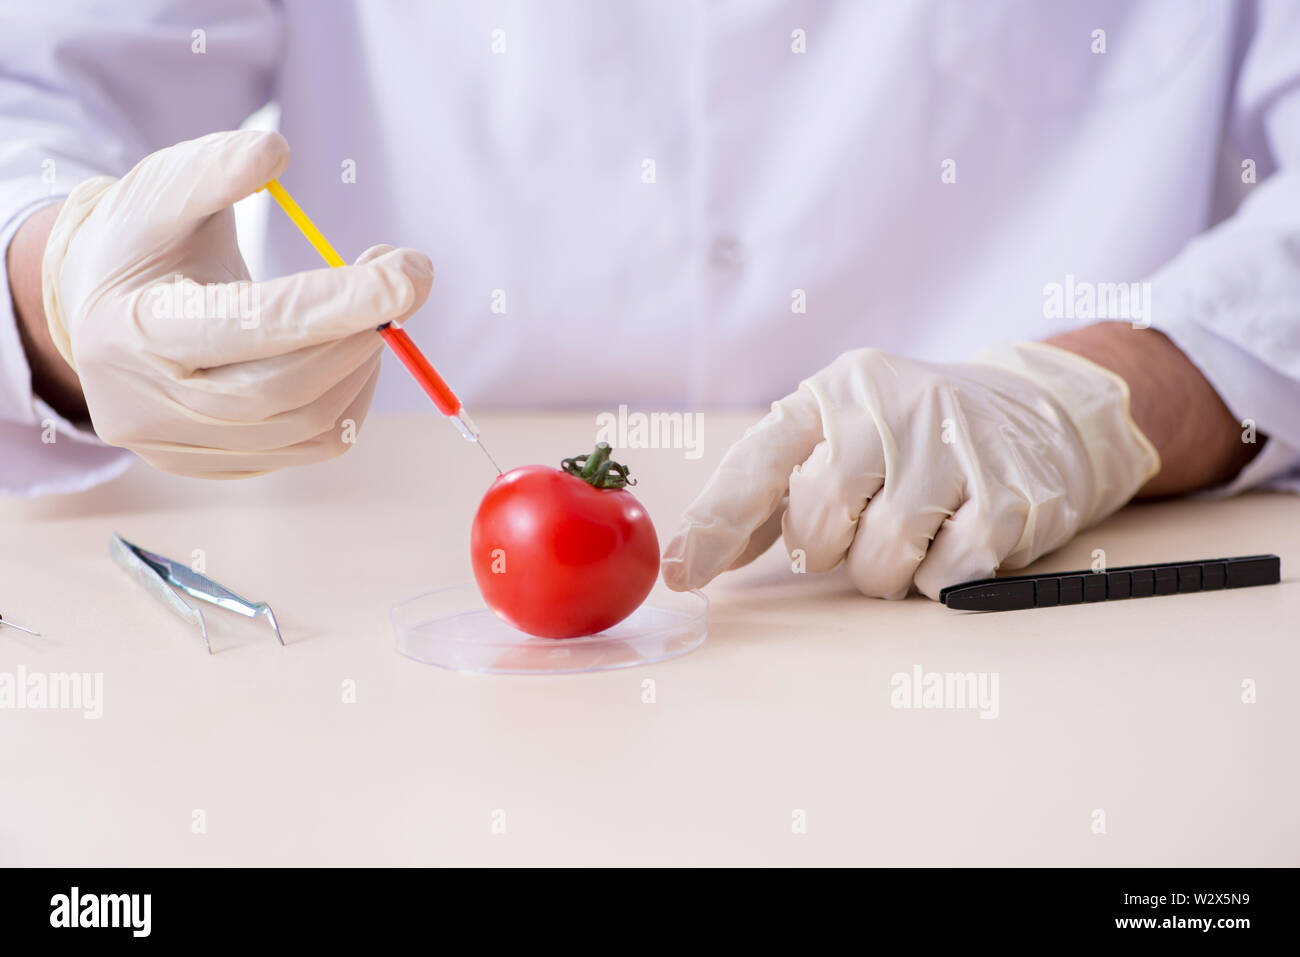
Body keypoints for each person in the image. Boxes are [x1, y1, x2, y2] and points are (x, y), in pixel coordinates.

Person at [2, 1, 1297, 598]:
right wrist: (60, 282)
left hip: (1044, 582)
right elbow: (32, 86)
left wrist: (1107, 395)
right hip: (377, 592)